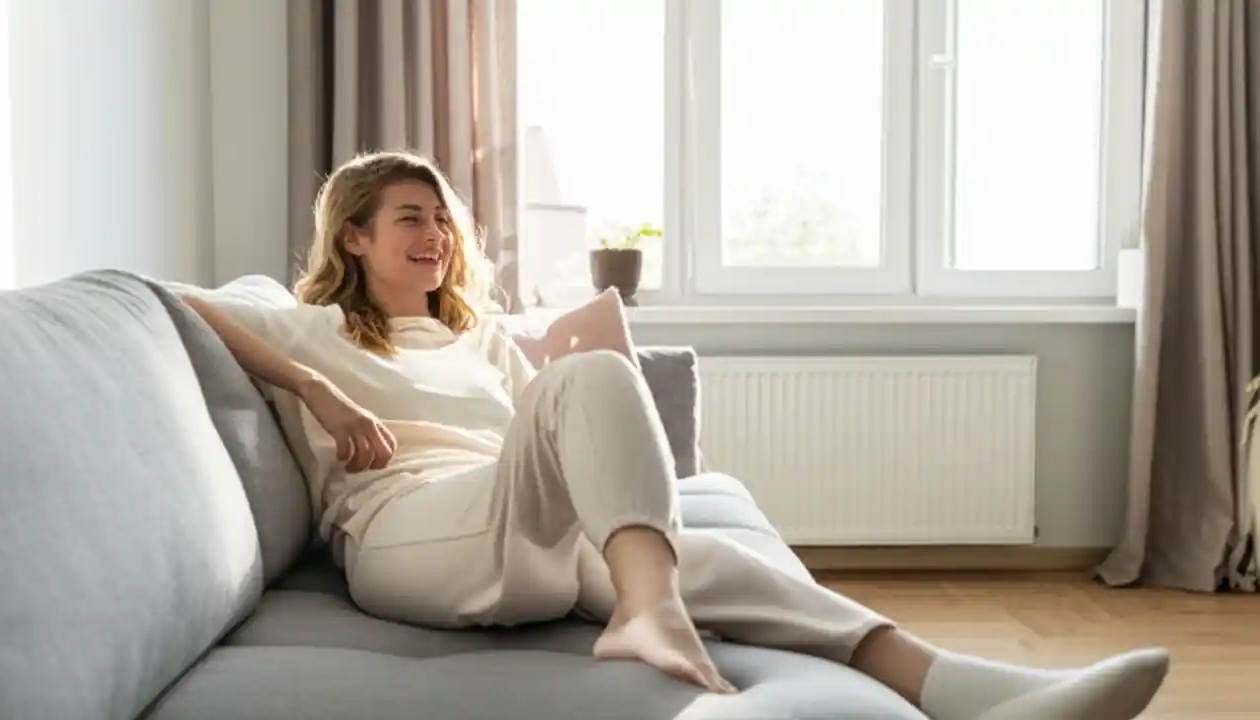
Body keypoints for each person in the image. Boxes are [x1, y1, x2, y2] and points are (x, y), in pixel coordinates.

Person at [180, 150, 1169, 719]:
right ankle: (647, 610)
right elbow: (157, 294)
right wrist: (317, 388)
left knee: (687, 519)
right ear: (352, 236)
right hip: (410, 538)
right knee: (591, 402)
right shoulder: (302, 325)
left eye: (443, 219)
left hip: (531, 537)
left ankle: (962, 691)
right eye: (408, 218)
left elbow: (564, 431)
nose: (435, 236)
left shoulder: (478, 338)